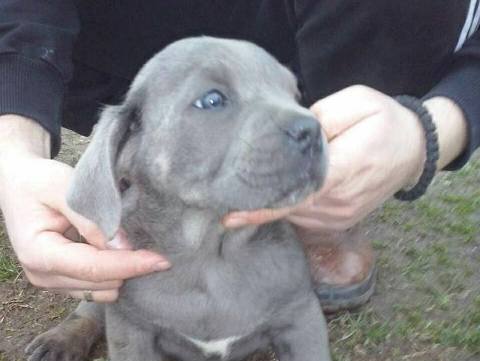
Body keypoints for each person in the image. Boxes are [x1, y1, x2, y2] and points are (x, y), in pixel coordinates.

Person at [0, 1, 477, 310]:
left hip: (318, 45)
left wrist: (433, 127)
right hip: (124, 44)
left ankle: (318, 201)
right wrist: (14, 148)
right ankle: (161, 183)